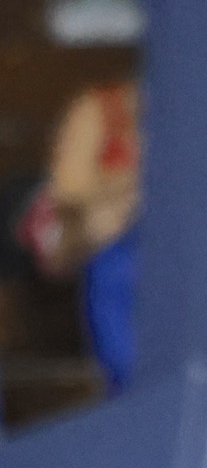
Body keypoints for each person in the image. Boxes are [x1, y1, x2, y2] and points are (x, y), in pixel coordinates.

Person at [17, 78, 142, 394]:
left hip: (186, 261)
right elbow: (69, 196)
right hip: (115, 257)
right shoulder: (103, 109)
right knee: (110, 240)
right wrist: (134, 188)